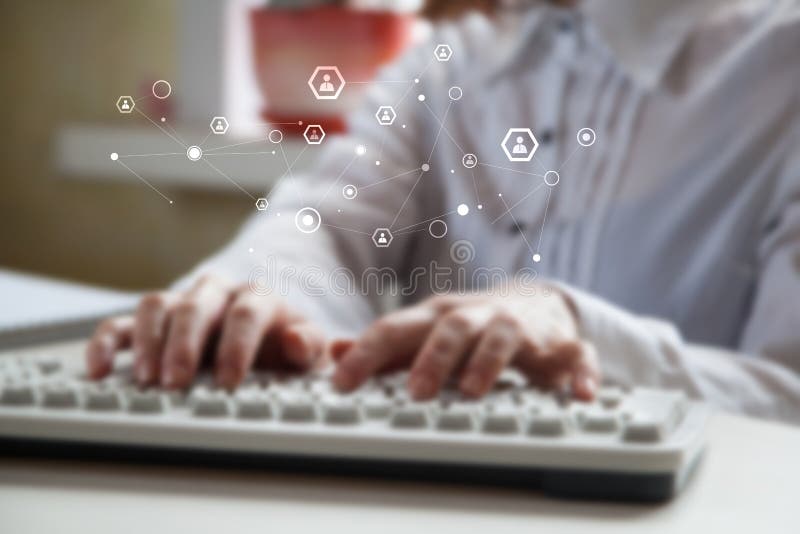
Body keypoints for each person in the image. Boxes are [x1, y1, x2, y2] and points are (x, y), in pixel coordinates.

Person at [86, 0, 800, 424]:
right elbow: (327, 227)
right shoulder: (452, 59)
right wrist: (253, 294)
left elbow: (790, 393)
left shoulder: (782, 67)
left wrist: (580, 328)